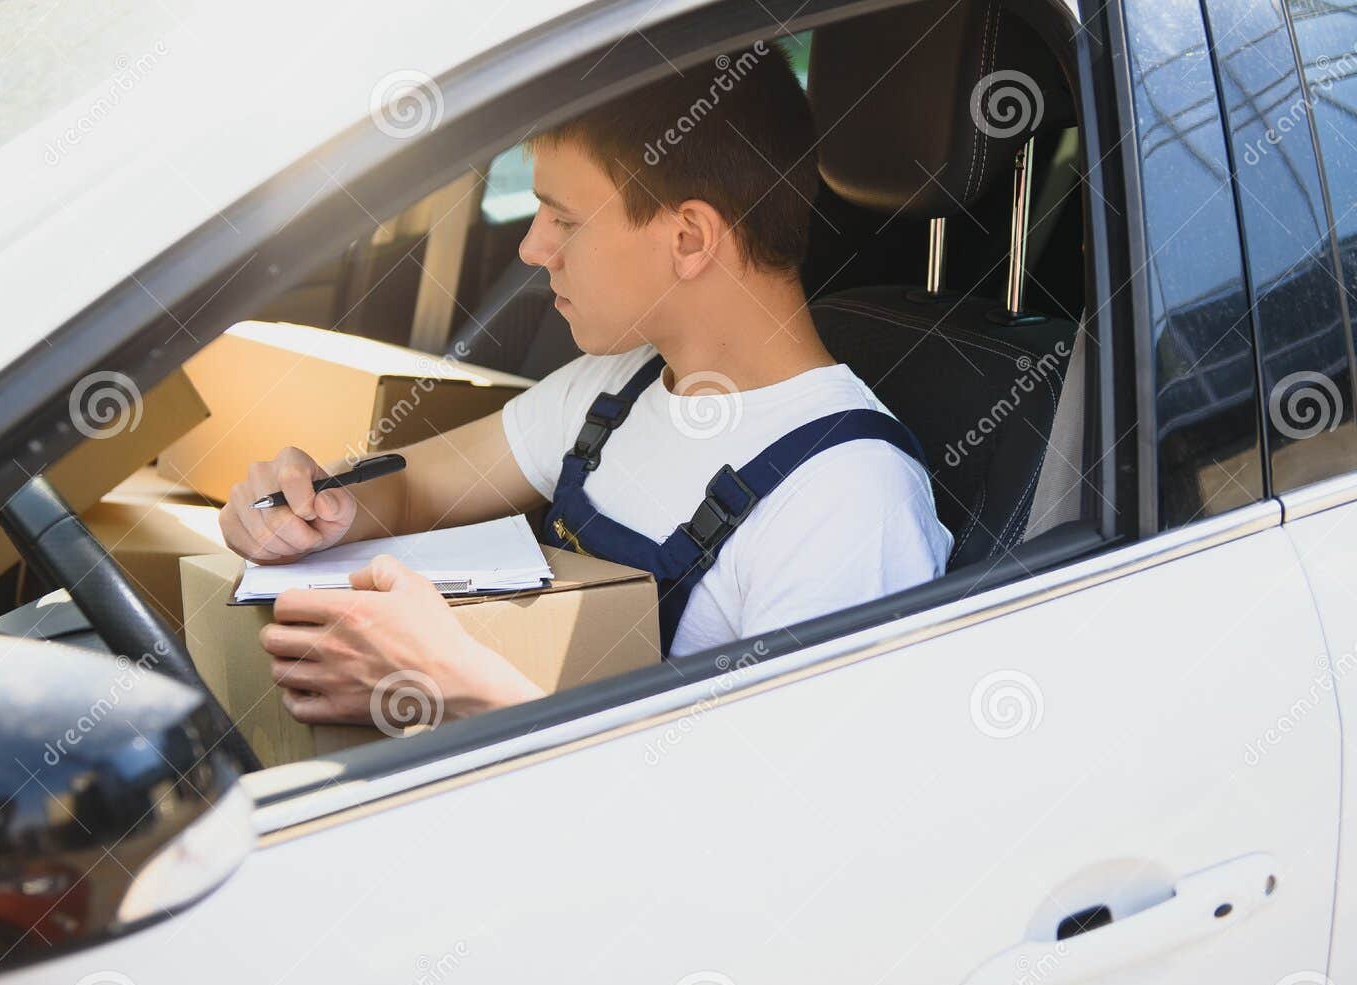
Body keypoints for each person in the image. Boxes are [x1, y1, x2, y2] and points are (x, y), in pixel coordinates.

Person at [219, 45, 952, 728]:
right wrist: (323, 506)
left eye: (563, 219)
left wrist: (463, 684)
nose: (533, 248)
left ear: (688, 239)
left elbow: (773, 821)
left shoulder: (849, 502)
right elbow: (415, 488)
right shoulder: (615, 389)